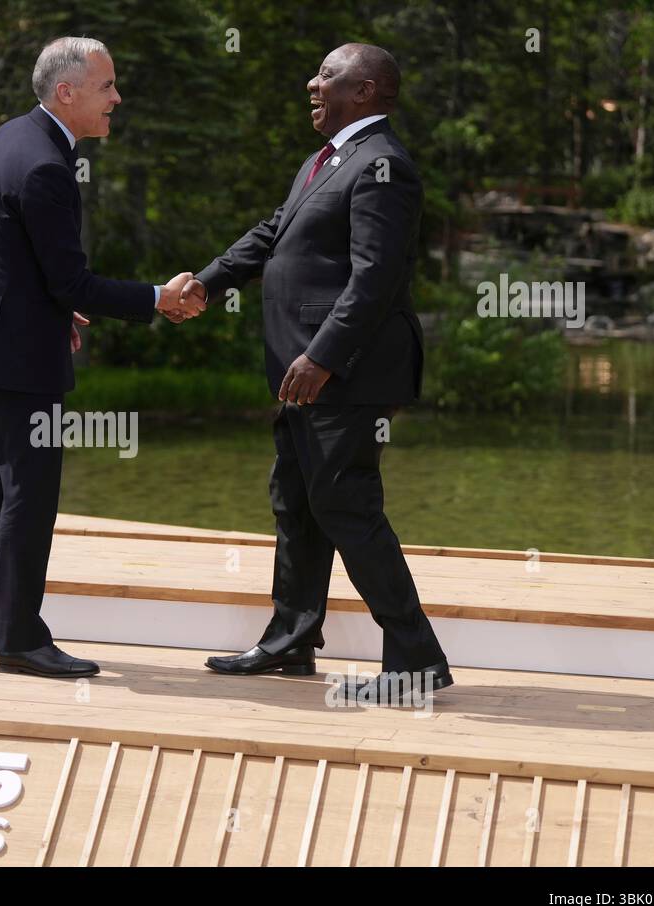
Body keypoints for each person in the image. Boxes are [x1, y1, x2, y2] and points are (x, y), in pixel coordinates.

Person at [178, 43, 451, 705]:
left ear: (366, 91)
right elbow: (276, 231)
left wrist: (325, 355)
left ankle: (415, 660)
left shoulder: (383, 166)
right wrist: (207, 284)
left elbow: (375, 279)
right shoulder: (326, 160)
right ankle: (291, 636)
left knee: (346, 506)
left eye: (327, 75)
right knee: (296, 500)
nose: (312, 82)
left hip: (344, 373)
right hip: (301, 369)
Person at [0, 36, 201, 678]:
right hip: (17, 353)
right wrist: (157, 299)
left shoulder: (8, 139)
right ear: (67, 93)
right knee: (29, 493)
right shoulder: (46, 166)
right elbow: (71, 281)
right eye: (107, 87)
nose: (117, 98)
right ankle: (20, 639)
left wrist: (51, 309)